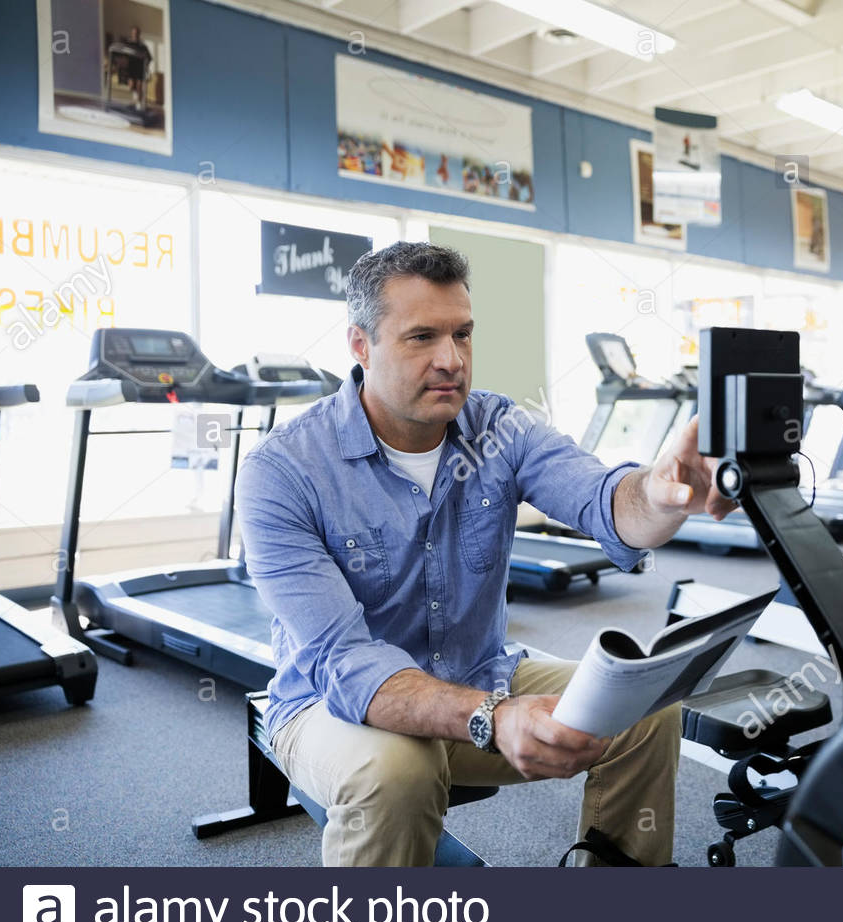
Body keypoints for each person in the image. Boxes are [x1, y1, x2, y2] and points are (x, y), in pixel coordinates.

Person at [236, 242, 735, 867]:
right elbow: (347, 664)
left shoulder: (500, 427)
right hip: (327, 705)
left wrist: (662, 495)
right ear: (360, 346)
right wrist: (492, 717)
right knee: (399, 768)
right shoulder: (283, 471)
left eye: (463, 334)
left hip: (477, 675)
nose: (451, 360)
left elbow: (605, 499)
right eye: (422, 337)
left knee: (645, 708)